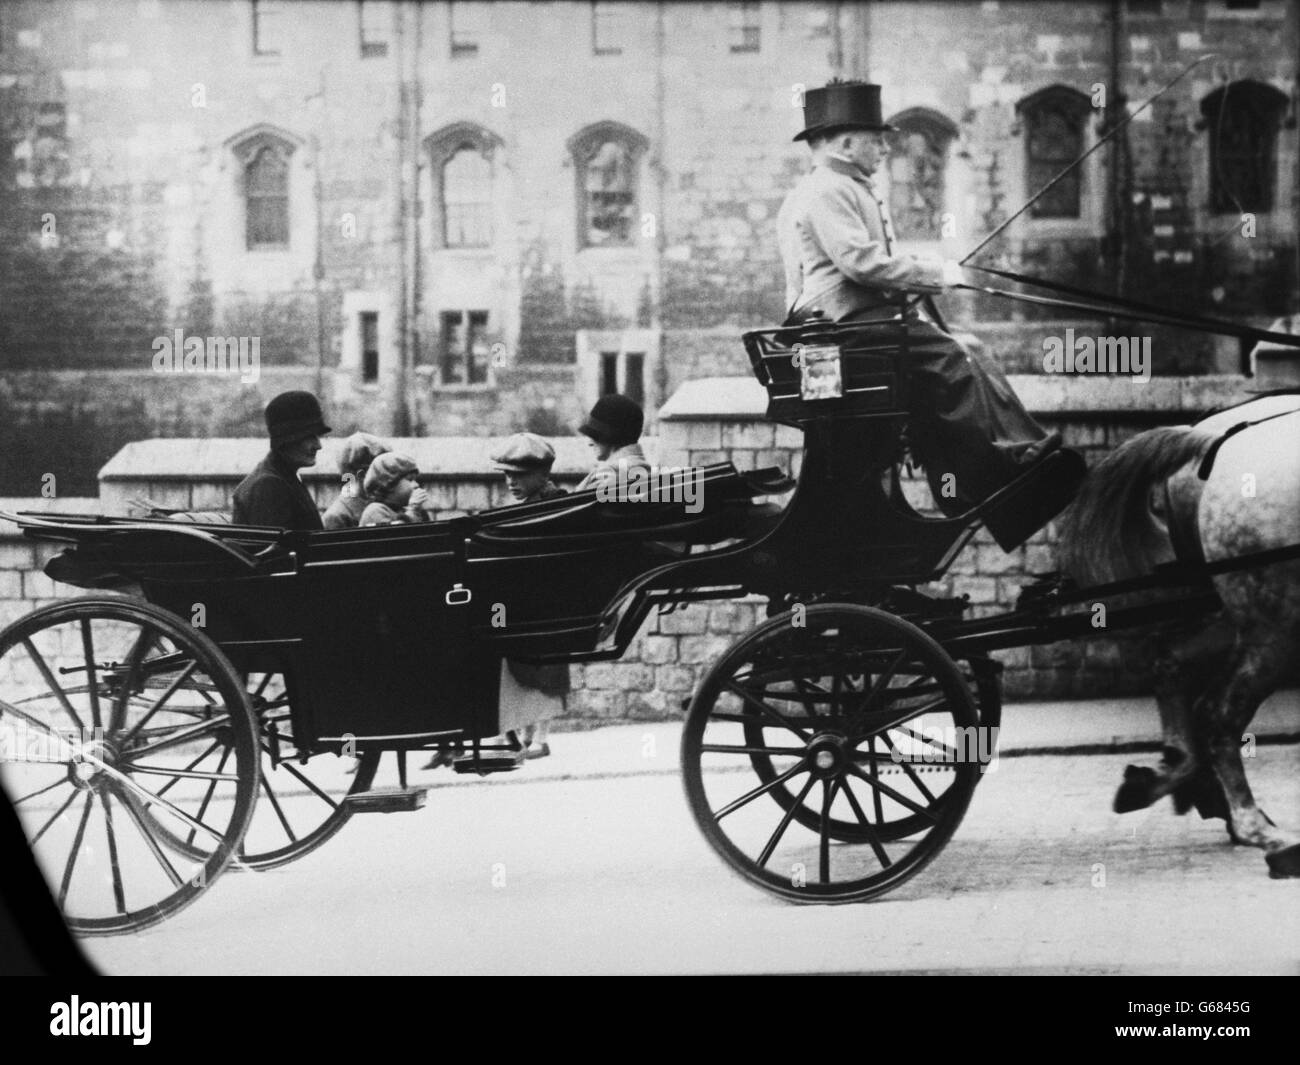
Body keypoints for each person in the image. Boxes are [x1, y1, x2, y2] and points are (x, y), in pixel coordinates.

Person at [777, 79, 1059, 516]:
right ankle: (986, 474)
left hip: (853, 324)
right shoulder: (827, 189)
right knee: (953, 358)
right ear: (849, 143)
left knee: (971, 348)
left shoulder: (840, 185)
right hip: (843, 330)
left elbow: (864, 263)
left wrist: (926, 273)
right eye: (877, 141)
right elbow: (860, 264)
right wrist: (933, 273)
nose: (886, 151)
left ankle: (1013, 453)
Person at [232, 390, 331, 530]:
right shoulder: (268, 485)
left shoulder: (282, 477)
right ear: (287, 440)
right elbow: (275, 549)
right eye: (309, 437)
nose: (318, 446)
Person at [575, 394, 651, 493]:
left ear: (610, 437)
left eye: (595, 436)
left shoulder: (606, 477)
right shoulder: (647, 472)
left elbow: (570, 507)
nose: (590, 443)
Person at [323, 432, 391, 530]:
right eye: (383, 470)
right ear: (362, 475)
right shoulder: (337, 517)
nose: (390, 476)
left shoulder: (383, 502)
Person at [491, 432, 567, 505]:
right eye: (507, 473)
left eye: (519, 474)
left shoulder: (553, 504)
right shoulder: (538, 503)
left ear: (544, 473)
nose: (510, 482)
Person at [358, 453, 430, 527]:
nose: (416, 485)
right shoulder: (375, 511)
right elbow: (398, 535)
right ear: (389, 484)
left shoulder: (404, 509)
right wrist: (413, 510)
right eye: (410, 480)